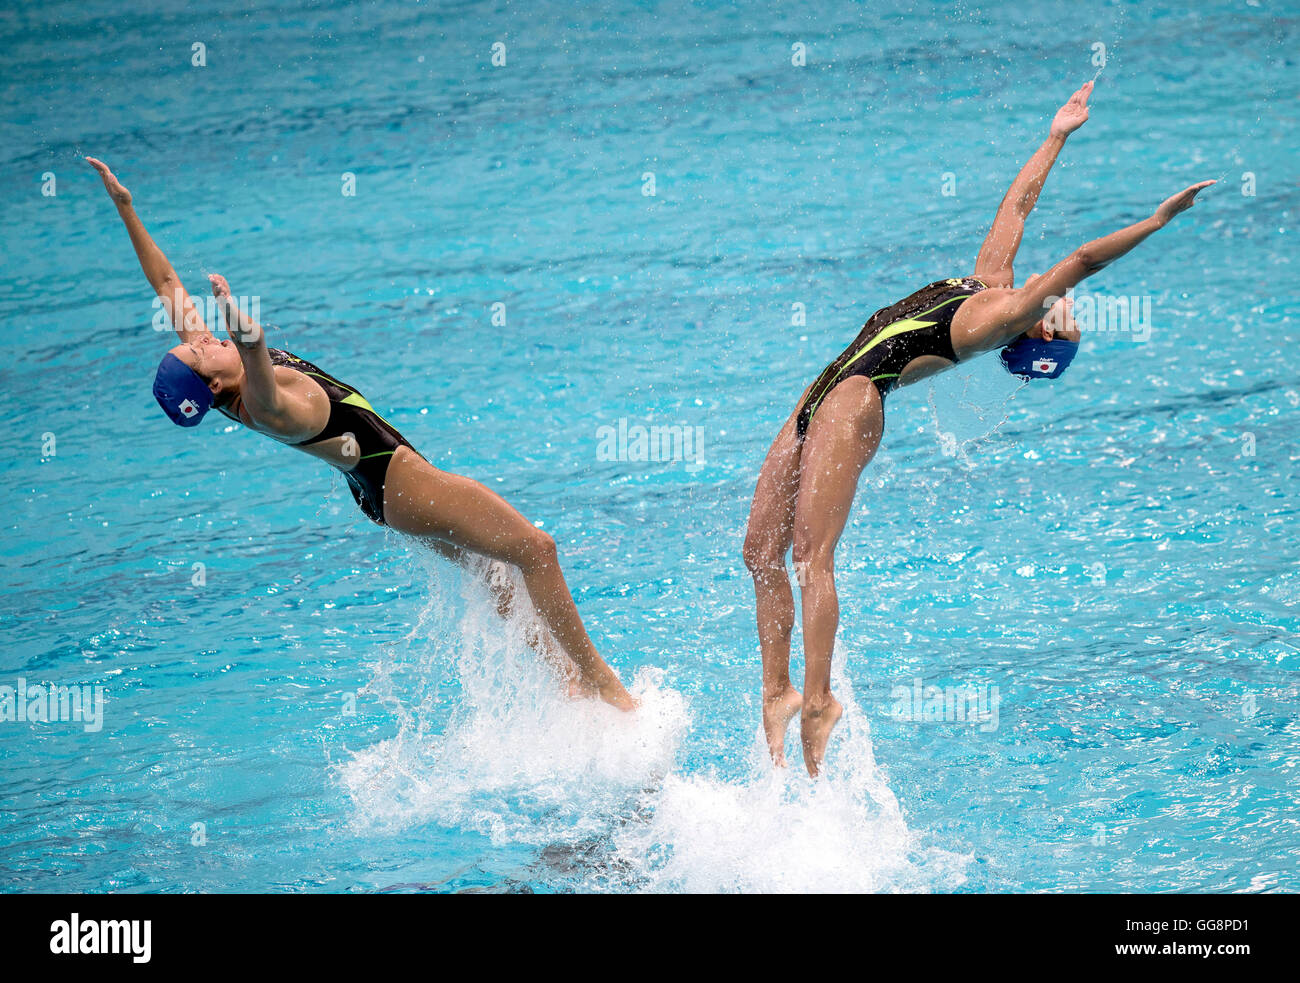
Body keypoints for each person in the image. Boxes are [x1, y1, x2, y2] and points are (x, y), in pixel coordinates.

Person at [741, 82, 1213, 774]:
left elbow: (1083, 257)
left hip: (855, 398)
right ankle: (777, 688)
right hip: (819, 392)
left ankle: (819, 700)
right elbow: (1017, 204)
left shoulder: (1001, 315)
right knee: (760, 550)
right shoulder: (990, 281)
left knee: (812, 555)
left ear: (1041, 327)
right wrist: (1057, 135)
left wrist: (1158, 220)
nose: (1067, 306)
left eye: (1064, 315)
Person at [87, 157, 635, 712]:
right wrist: (238, 324)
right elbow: (253, 350)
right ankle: (598, 680)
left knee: (493, 579)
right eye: (200, 348)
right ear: (209, 381)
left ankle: (560, 675)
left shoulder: (220, 380)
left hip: (382, 491)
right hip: (401, 486)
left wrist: (125, 207)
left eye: (202, 337)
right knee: (537, 551)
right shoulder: (257, 401)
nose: (203, 338)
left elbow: (166, 285)